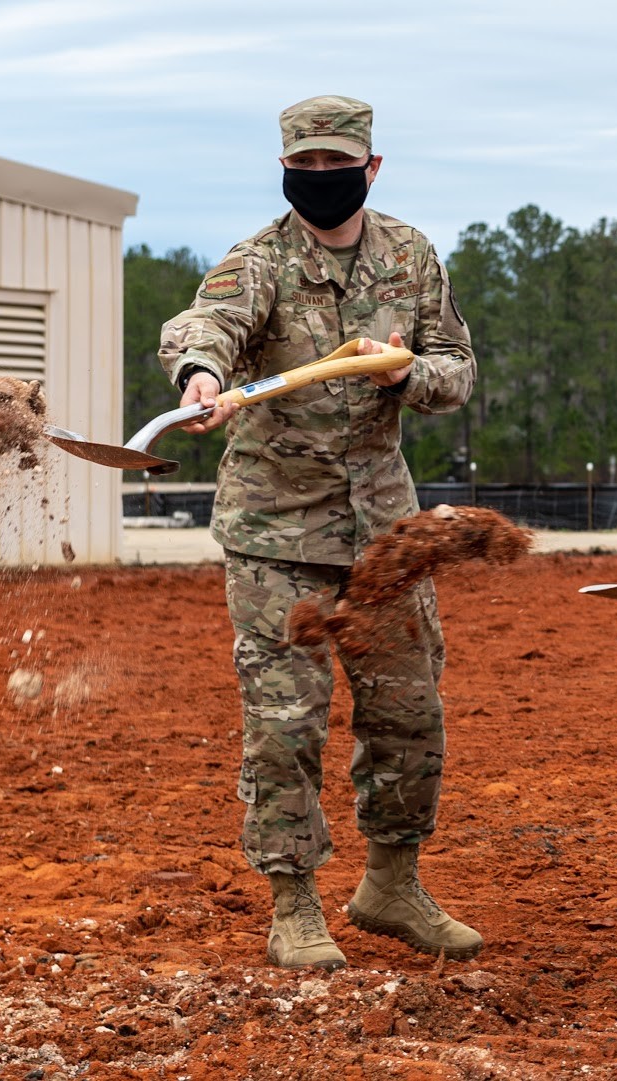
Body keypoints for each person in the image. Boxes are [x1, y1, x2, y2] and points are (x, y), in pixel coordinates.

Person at [156, 94, 479, 971]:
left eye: (340, 168)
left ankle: (391, 884)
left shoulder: (411, 257)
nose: (323, 181)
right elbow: (203, 326)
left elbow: (458, 370)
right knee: (285, 725)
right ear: (286, 171)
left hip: (382, 534)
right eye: (307, 170)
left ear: (371, 169)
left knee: (409, 714)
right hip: (275, 532)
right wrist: (199, 375)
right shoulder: (259, 261)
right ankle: (294, 902)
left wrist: (410, 372)